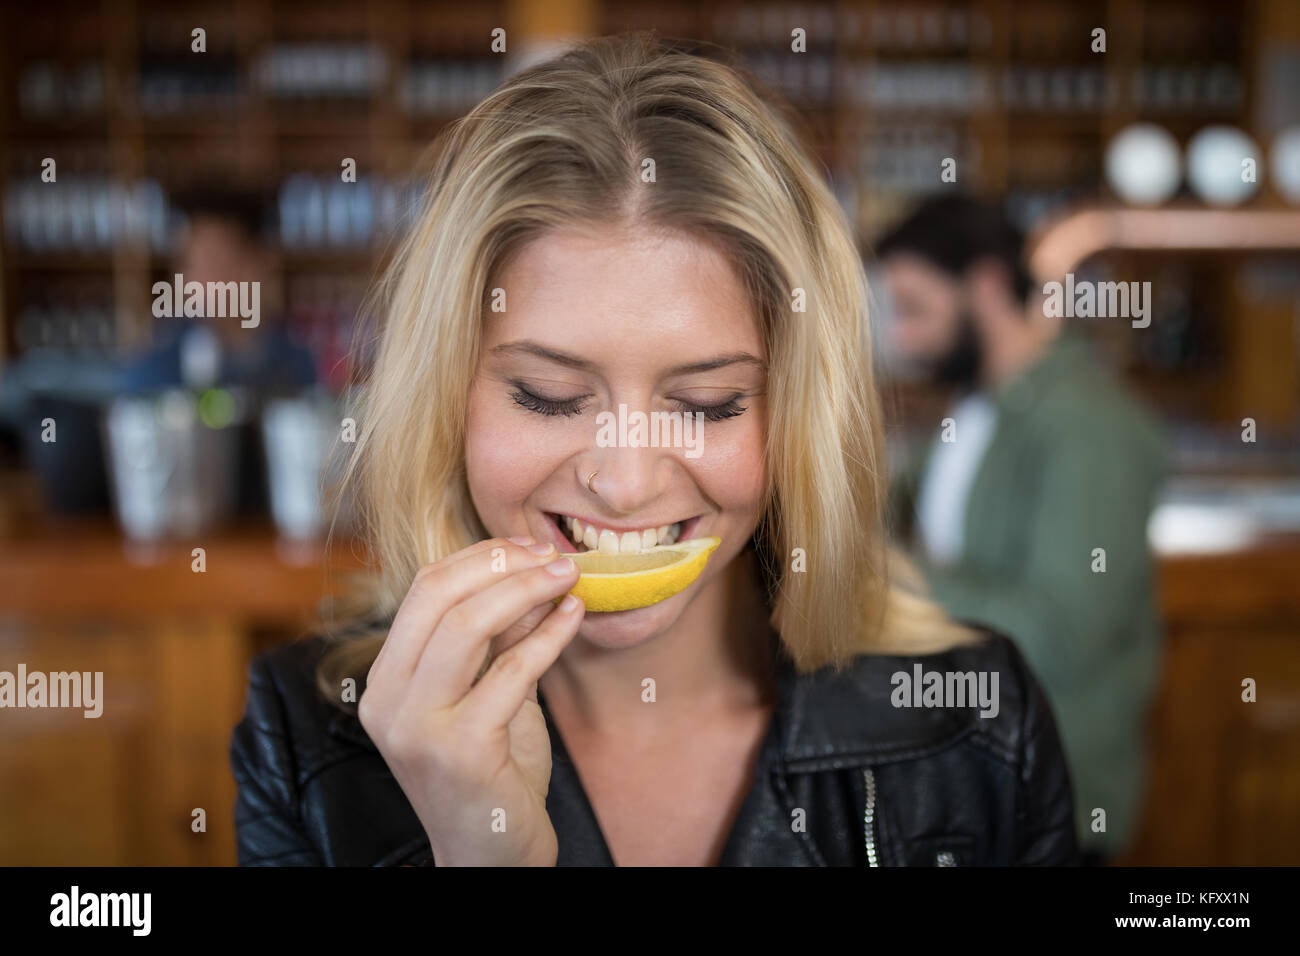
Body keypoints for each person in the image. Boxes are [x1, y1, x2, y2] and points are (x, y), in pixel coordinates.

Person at [230, 33, 1078, 867]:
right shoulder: (306, 743)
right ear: (443, 395)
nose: (627, 484)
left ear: (797, 415)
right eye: (548, 397)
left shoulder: (982, 724)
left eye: (708, 405)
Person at [876, 195, 1167, 864]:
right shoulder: (981, 403)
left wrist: (886, 571)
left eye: (916, 310)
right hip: (964, 778)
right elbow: (889, 511)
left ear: (984, 288)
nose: (900, 338)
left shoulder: (1088, 430)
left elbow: (1059, 636)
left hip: (1047, 806)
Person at [120, 188, 318, 396]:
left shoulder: (295, 359)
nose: (197, 282)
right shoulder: (159, 366)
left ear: (259, 263)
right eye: (191, 265)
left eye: (214, 263)